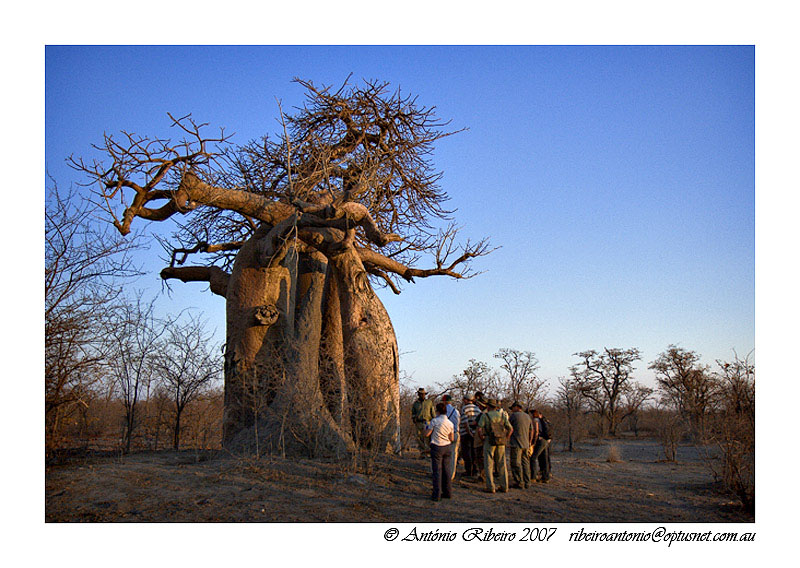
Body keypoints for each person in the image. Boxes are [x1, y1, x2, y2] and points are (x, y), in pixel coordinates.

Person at [477, 398, 513, 494]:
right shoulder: (502, 415)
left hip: (489, 440)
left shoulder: (485, 416)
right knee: (501, 463)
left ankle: (491, 487)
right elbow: (510, 429)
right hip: (501, 441)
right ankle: (504, 486)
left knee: (488, 464)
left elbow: (479, 429)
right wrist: (506, 438)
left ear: (488, 406)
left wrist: (482, 438)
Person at [425, 402, 455, 501]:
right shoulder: (450, 423)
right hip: (447, 447)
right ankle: (448, 492)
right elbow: (452, 438)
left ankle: (436, 494)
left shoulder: (434, 421)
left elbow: (427, 434)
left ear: (437, 411)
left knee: (437, 471)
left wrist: (427, 428)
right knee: (447, 471)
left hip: (437, 447)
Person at [507, 401, 533, 489]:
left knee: (515, 463)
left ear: (516, 407)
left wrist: (507, 439)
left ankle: (519, 482)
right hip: (526, 444)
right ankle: (527, 482)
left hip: (516, 444)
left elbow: (508, 427)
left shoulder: (514, 416)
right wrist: (529, 442)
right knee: (525, 463)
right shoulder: (527, 416)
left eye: (512, 408)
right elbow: (531, 430)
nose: (512, 410)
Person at [459, 394, 481, 477]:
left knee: (467, 453)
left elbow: (465, 422)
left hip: (466, 433)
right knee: (474, 453)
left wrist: (469, 433)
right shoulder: (477, 409)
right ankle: (475, 470)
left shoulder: (465, 408)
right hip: (475, 434)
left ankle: (469, 471)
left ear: (466, 400)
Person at [411, 388, 435, 457]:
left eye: (423, 394)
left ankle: (428, 452)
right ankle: (422, 452)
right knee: (418, 437)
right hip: (418, 423)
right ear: (418, 394)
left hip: (427, 422)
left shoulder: (429, 402)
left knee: (427, 438)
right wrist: (414, 419)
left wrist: (435, 421)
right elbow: (413, 413)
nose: (422, 395)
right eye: (420, 394)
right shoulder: (415, 404)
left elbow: (432, 412)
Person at [441, 394, 460, 480]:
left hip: (445, 434)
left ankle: (443, 473)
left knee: (442, 454)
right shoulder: (456, 411)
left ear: (444, 401)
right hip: (455, 433)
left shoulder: (443, 410)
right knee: (453, 455)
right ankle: (451, 475)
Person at [530, 409, 552, 482]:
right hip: (546, 440)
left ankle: (533, 476)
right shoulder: (544, 420)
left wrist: (533, 442)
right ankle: (546, 477)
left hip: (540, 440)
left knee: (533, 458)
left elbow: (536, 432)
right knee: (544, 459)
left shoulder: (536, 420)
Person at [471, 392, 488, 482]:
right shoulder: (491, 413)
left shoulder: (482, 415)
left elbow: (474, 424)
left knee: (480, 458)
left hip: (480, 440)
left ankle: (482, 476)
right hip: (488, 440)